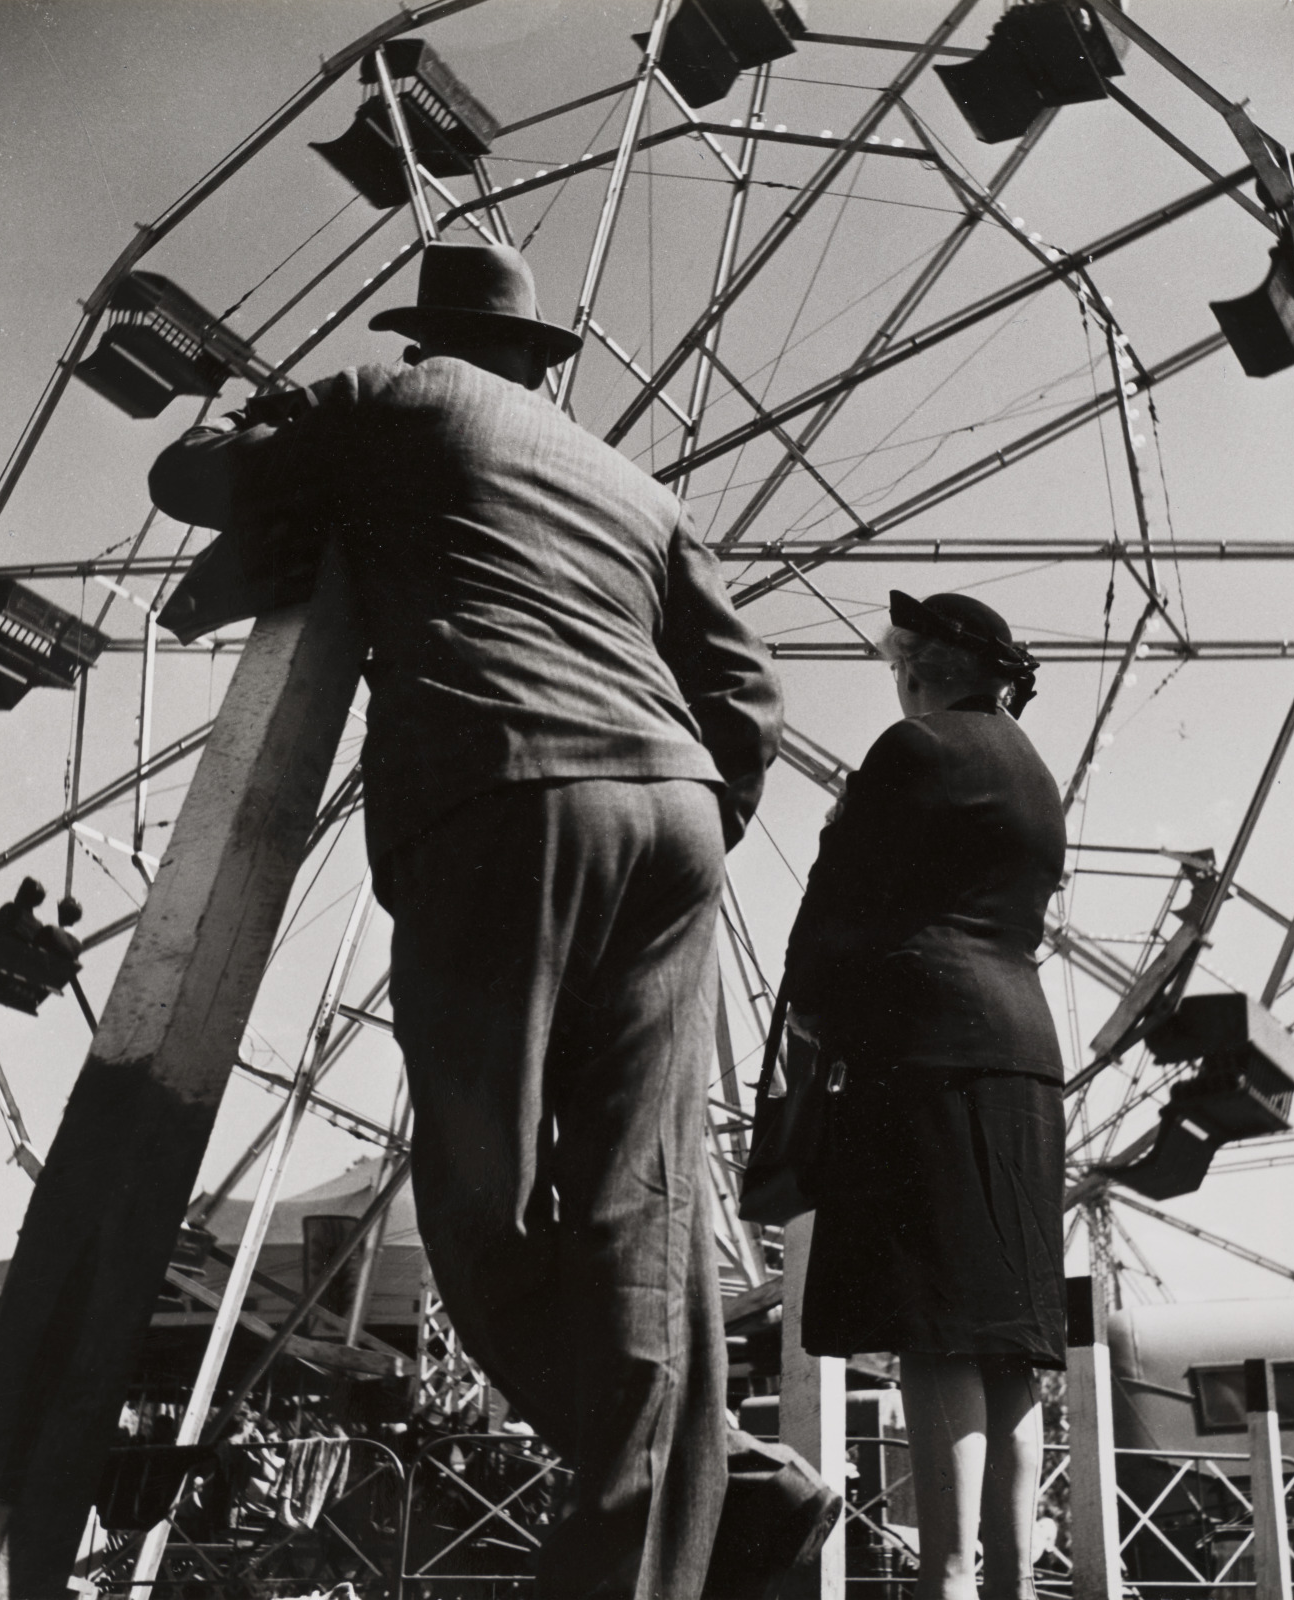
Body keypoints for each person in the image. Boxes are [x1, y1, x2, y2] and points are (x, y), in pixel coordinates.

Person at [148, 241, 829, 1599]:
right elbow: (747, 687)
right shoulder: (636, 488)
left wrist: (262, 423)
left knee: (482, 1194)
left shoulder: (402, 400)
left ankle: (735, 1479)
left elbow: (192, 480)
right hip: (675, 820)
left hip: (498, 791)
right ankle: (684, 1525)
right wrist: (686, 806)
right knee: (643, 1211)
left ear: (431, 342)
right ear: (538, 360)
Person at [781, 590, 1067, 1600]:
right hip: (1026, 1058)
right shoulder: (1038, 775)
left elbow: (840, 905)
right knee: (1008, 1339)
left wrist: (812, 1013)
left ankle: (944, 1580)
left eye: (900, 658)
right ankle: (1012, 1583)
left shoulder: (912, 750)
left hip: (927, 1049)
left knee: (934, 1322)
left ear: (932, 665)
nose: (894, 675)